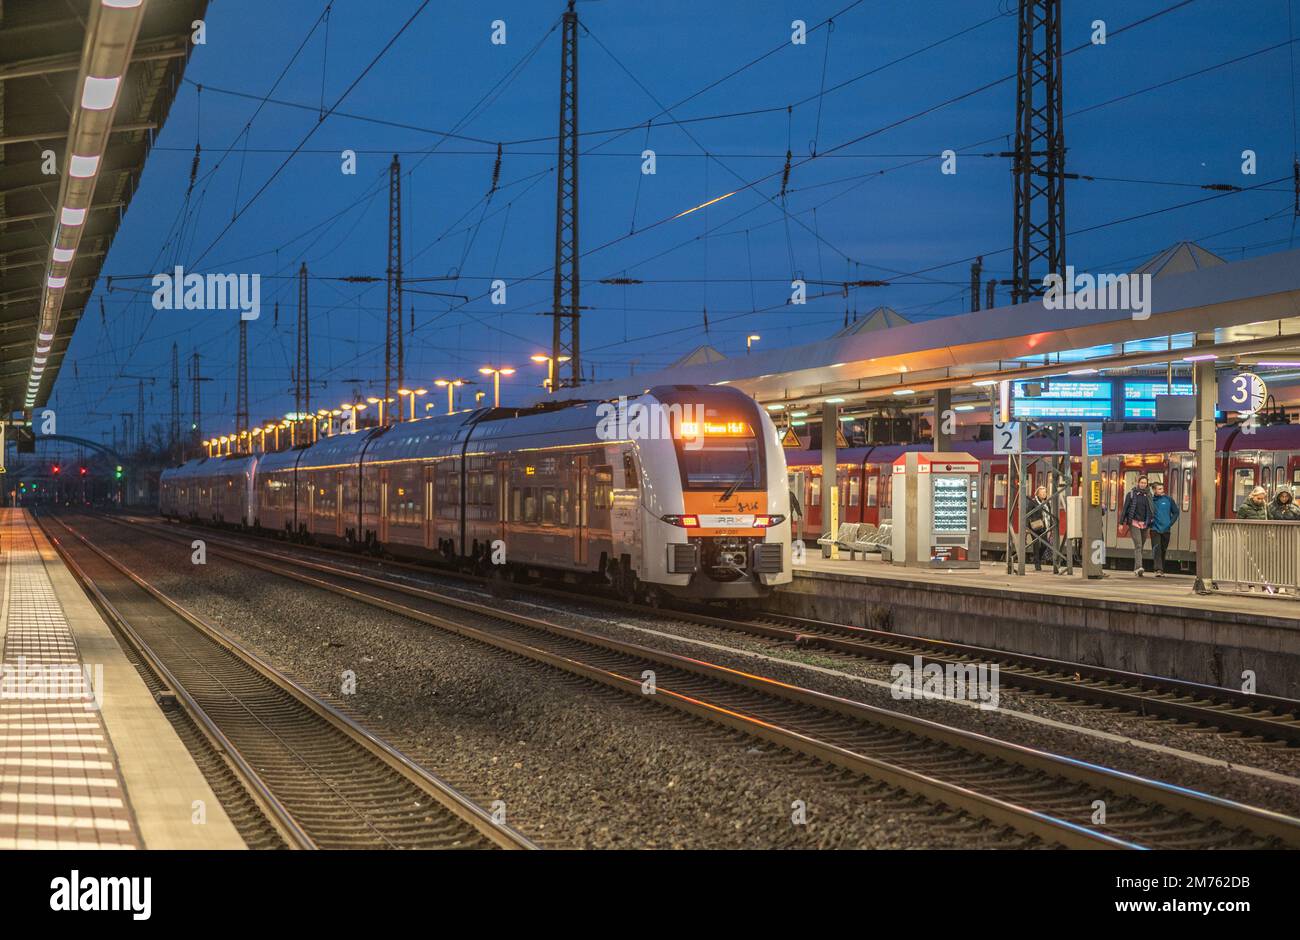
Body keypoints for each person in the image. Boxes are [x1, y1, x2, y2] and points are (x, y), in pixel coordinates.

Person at [1120, 474, 1154, 576]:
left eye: (1145, 483)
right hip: (1134, 523)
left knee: (1141, 546)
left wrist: (1150, 521)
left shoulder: (1149, 495)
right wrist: (1121, 523)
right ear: (1138, 483)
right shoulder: (1131, 494)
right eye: (1141, 482)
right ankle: (1139, 567)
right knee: (1138, 545)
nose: (1143, 484)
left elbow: (1151, 509)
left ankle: (1136, 569)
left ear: (1147, 484)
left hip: (1145, 524)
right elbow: (1125, 509)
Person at [1149, 481, 1180, 576]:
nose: (1162, 490)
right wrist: (1149, 522)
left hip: (1166, 529)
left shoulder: (1169, 500)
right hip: (1154, 529)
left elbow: (1176, 512)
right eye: (1159, 489)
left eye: (1162, 488)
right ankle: (1158, 569)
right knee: (1157, 549)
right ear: (1154, 490)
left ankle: (1161, 569)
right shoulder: (1151, 501)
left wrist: (1170, 523)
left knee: (1163, 549)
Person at [1025, 485, 1053, 571]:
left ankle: (1038, 559)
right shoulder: (1033, 502)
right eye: (1042, 492)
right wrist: (1026, 527)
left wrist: (1051, 526)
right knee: (1036, 545)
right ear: (1038, 494)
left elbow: (1049, 515)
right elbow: (1027, 514)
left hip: (1044, 527)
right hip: (1035, 527)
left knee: (1045, 545)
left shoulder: (1047, 503)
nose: (1044, 494)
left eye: (1045, 492)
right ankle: (1037, 564)